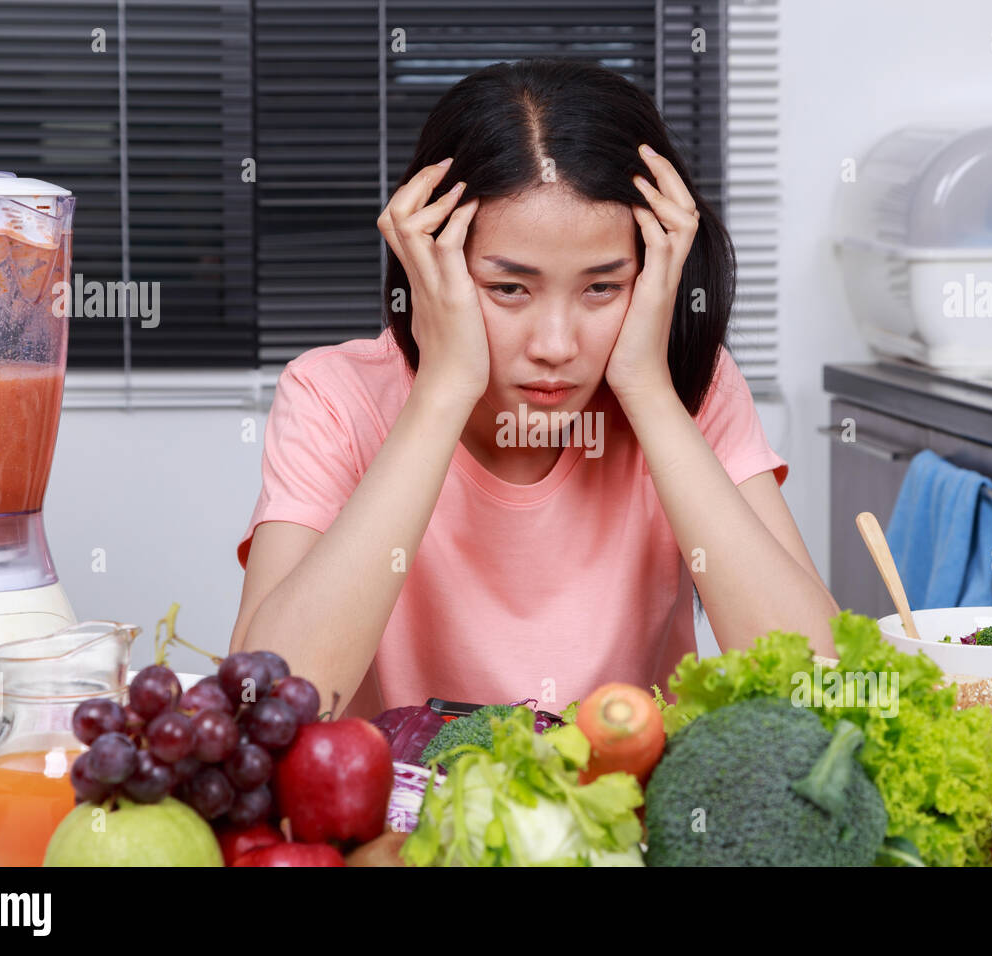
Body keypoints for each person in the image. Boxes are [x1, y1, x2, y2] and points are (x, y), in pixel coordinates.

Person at [230, 58, 839, 719]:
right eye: (508, 289)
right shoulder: (332, 396)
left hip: (624, 818)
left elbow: (821, 686)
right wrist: (441, 392)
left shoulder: (693, 391)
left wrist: (650, 391)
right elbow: (264, 705)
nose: (555, 344)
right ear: (432, 261)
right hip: (396, 822)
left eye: (602, 287)